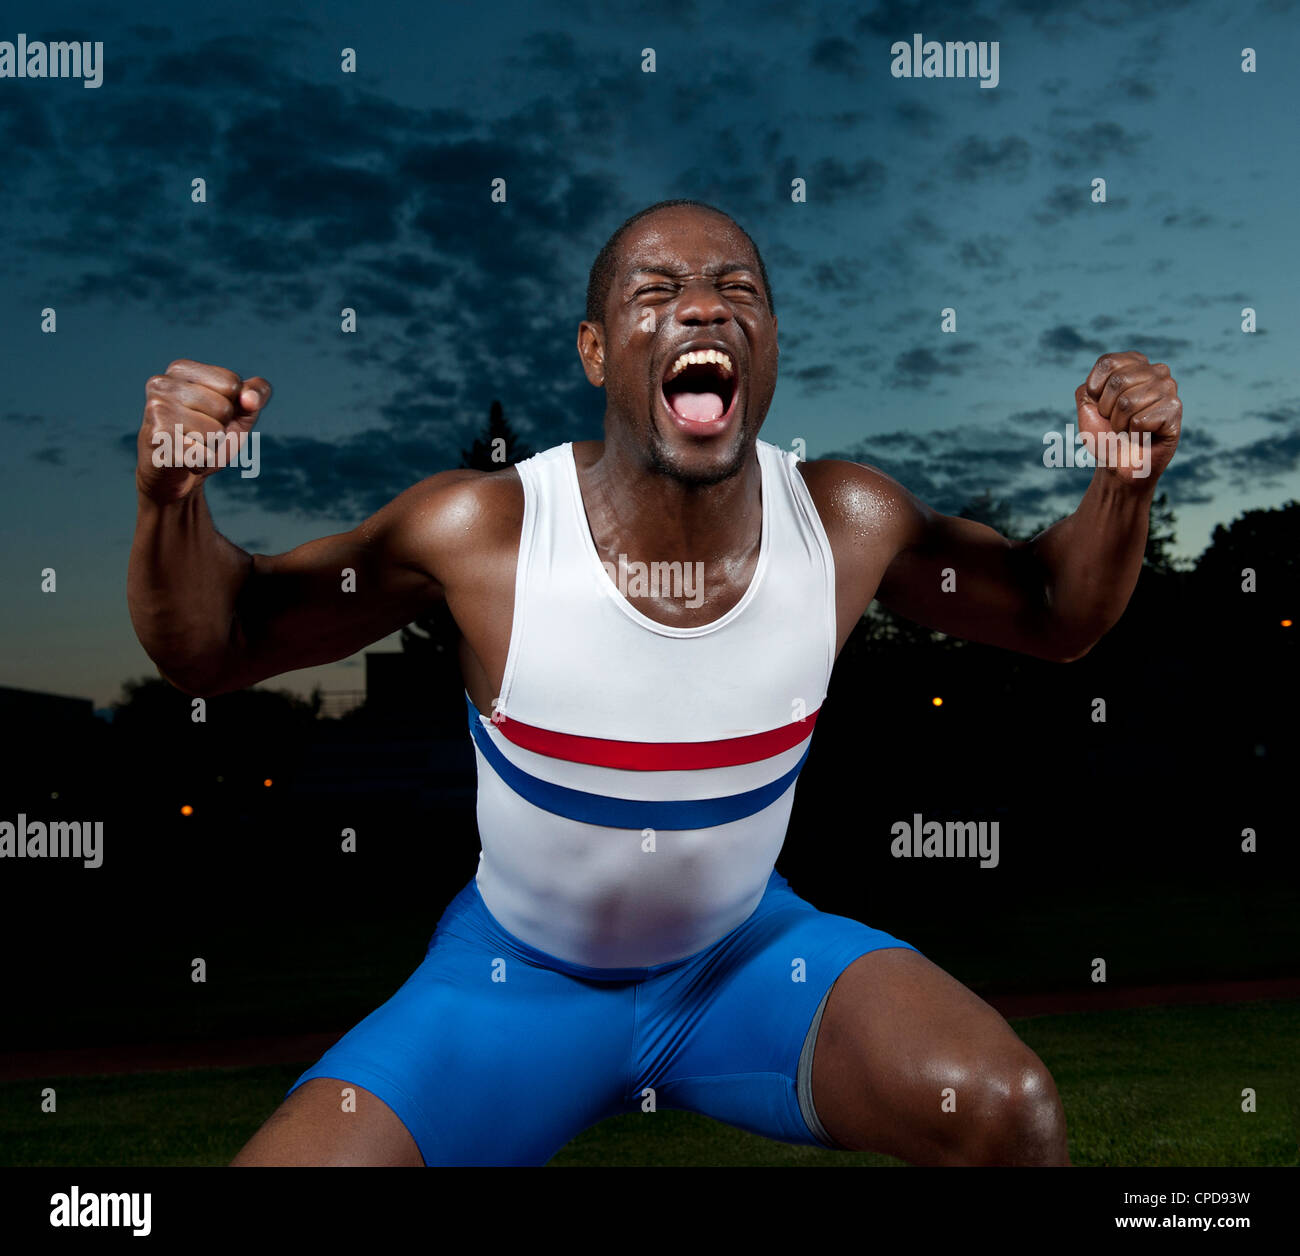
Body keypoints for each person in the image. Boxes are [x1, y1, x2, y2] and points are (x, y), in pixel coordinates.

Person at [128, 199, 1181, 1166]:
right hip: (514, 983)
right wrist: (171, 497)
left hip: (749, 963)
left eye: (737, 290)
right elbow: (213, 644)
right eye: (653, 291)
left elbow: (1055, 615)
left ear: (769, 345)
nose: (700, 308)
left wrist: (1122, 483)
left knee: (1006, 1107)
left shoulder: (845, 522)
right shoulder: (485, 531)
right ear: (594, 350)